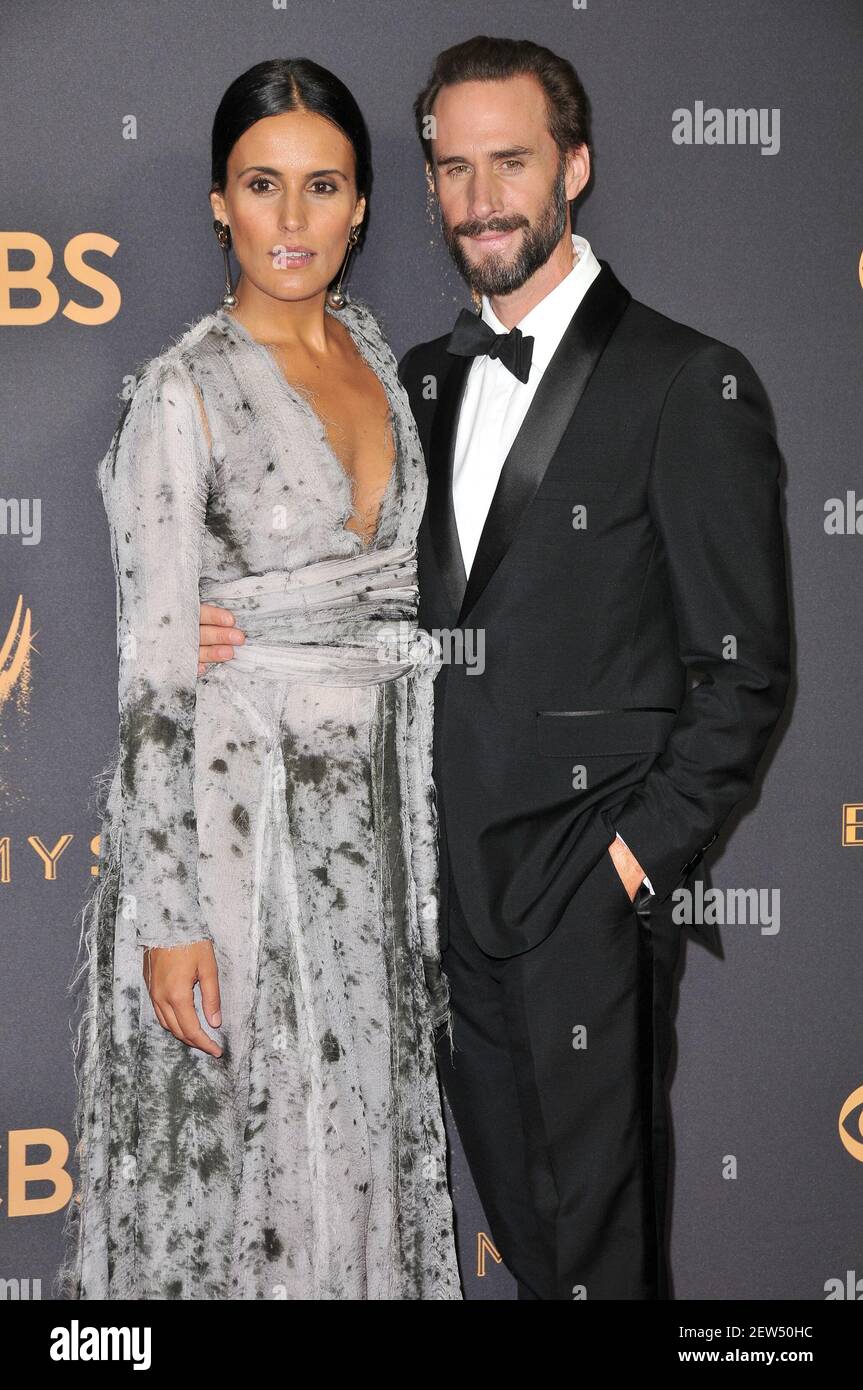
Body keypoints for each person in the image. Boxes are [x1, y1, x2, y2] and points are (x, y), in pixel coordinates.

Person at [199, 36, 791, 1300]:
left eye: (510, 162)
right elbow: (382, 608)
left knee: (597, 1256)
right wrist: (249, 632)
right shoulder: (414, 380)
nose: (479, 197)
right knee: (529, 1247)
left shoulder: (687, 381)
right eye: (451, 168)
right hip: (435, 900)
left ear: (574, 165)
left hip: (586, 898)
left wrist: (630, 862)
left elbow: (742, 674)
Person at [56, 57, 461, 1301]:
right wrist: (169, 912)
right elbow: (155, 669)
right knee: (237, 1171)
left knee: (352, 1146)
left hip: (368, 843)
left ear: (361, 208)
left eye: (321, 187)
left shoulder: (382, 362)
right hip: (234, 838)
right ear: (220, 205)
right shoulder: (184, 388)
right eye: (262, 186)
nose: (292, 221)